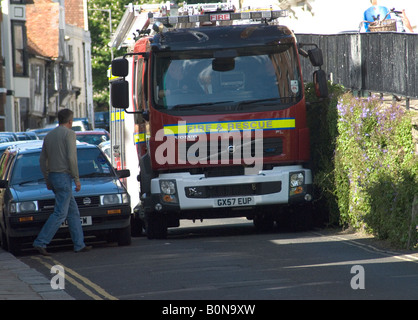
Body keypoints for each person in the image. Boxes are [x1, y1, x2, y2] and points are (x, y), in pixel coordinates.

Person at [33, 109, 91, 255]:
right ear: (70, 121)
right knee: (60, 213)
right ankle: (41, 242)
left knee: (73, 211)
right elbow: (72, 158)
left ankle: (79, 244)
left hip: (53, 176)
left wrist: (47, 178)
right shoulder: (69, 134)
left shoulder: (49, 135)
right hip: (64, 177)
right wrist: (76, 179)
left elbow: (42, 160)